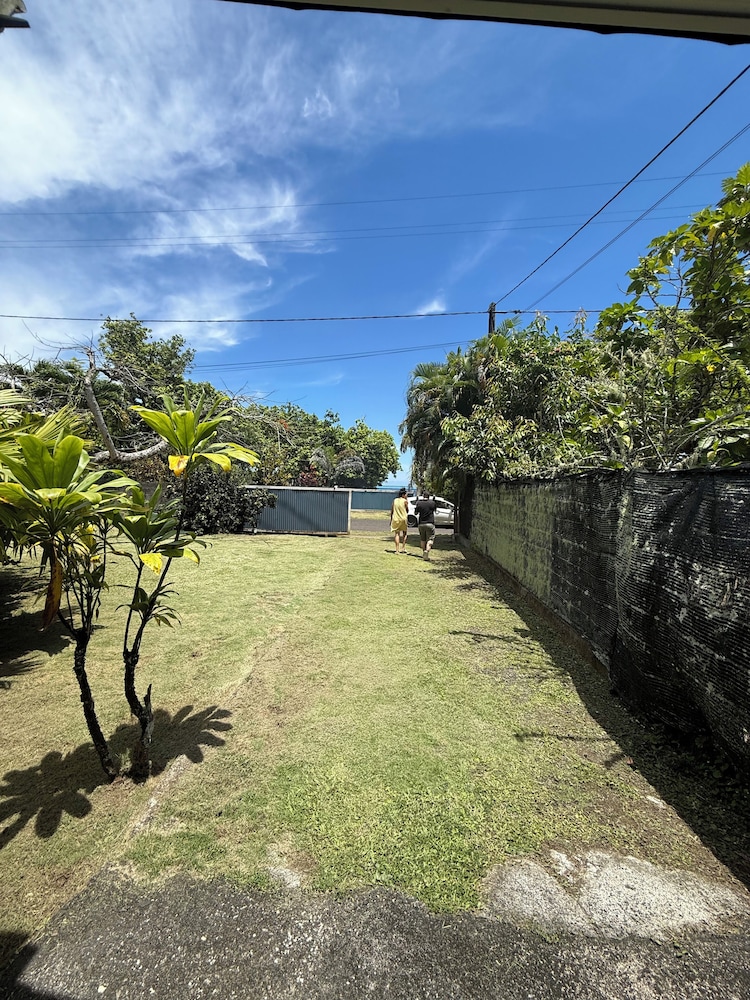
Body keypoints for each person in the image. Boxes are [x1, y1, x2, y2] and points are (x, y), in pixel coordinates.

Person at [414, 488, 437, 560]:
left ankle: (424, 551)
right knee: (430, 539)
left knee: (422, 539)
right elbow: (435, 510)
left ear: (423, 495)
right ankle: (427, 551)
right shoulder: (432, 503)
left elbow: (416, 513)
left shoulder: (419, 503)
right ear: (429, 496)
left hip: (421, 523)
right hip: (430, 523)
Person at [389, 488, 409, 554]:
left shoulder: (395, 500)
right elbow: (407, 510)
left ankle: (397, 550)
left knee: (397, 534)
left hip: (396, 518)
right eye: (406, 494)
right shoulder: (405, 501)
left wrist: (391, 519)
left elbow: (392, 510)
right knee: (404, 533)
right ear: (403, 495)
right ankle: (403, 548)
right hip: (403, 518)